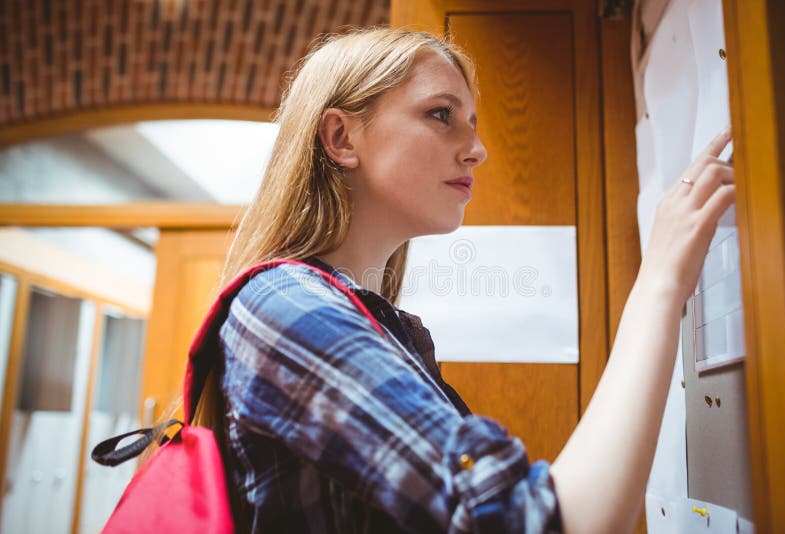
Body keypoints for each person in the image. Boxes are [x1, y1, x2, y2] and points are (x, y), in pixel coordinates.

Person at [215, 28, 735, 533]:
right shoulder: (288, 307)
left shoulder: (374, 320)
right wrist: (661, 279)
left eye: (471, 121)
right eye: (441, 115)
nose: (477, 149)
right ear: (341, 137)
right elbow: (545, 522)